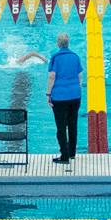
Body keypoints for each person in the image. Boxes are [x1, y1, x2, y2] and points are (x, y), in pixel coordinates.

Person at [46, 33, 82, 165]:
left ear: (58, 43)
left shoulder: (56, 57)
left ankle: (64, 156)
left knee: (61, 127)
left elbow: (52, 76)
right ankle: (72, 153)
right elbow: (79, 77)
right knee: (73, 125)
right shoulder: (75, 56)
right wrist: (76, 90)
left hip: (60, 97)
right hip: (75, 96)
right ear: (68, 43)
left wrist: (48, 94)